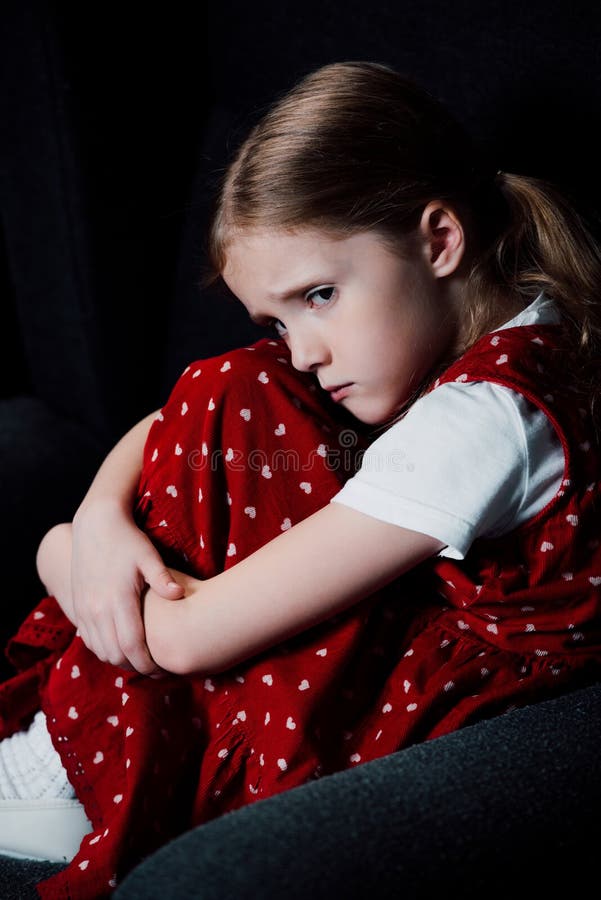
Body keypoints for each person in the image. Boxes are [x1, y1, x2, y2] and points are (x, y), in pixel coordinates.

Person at [1, 59, 600, 899]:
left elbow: (178, 639)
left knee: (229, 397)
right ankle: (79, 747)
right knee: (233, 384)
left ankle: (75, 760)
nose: (305, 348)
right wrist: (100, 518)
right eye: (279, 317)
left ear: (438, 240)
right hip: (398, 618)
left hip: (431, 710)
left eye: (319, 294)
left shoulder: (484, 424)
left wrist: (57, 551)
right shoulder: (486, 334)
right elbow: (158, 428)